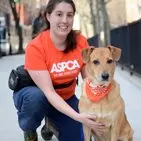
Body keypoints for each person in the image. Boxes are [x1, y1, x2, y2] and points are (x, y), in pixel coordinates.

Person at [13, 0, 105, 141]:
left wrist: (98, 106)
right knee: (36, 98)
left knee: (80, 137)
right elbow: (48, 92)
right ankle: (30, 128)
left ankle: (50, 124)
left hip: (66, 98)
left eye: (69, 15)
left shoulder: (80, 42)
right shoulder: (35, 47)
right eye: (59, 14)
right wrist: (77, 116)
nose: (65, 20)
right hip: (37, 95)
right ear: (48, 16)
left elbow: (89, 80)